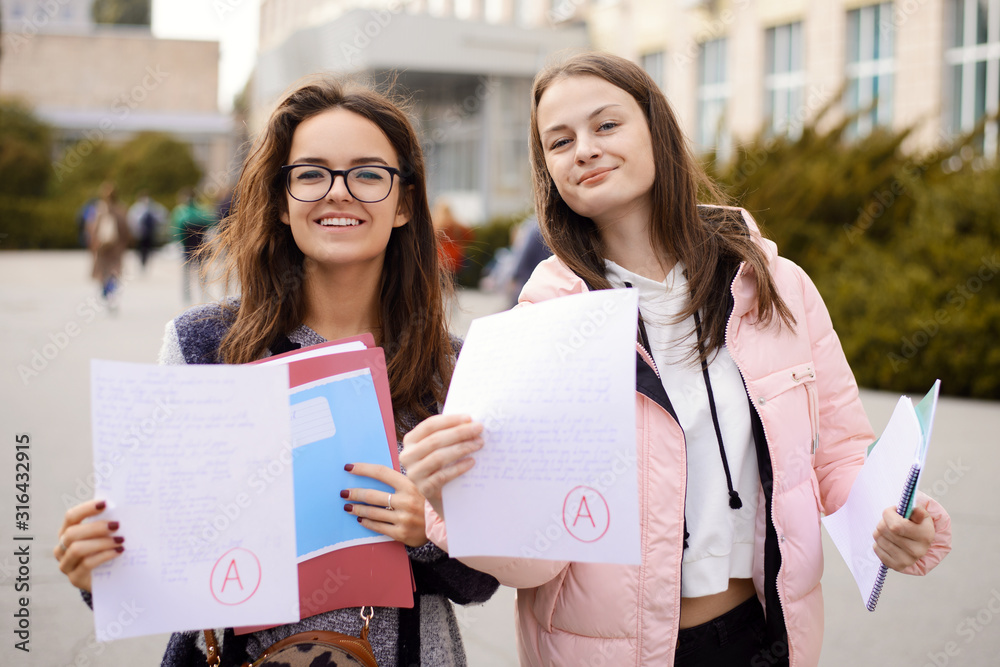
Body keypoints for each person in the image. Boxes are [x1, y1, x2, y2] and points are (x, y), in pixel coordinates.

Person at [399, 52, 952, 666]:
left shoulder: (778, 287)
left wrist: (892, 517)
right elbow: (537, 560)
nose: (583, 149)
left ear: (657, 130)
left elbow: (840, 453)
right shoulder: (543, 324)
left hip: (764, 638)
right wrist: (457, 501)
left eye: (606, 125)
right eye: (560, 141)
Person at [54, 77, 499, 667]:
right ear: (282, 201)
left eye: (368, 174)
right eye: (312, 174)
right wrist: (98, 568)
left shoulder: (454, 365)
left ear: (404, 205)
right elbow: (158, 552)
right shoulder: (203, 346)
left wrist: (428, 535)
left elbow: (483, 580)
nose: (338, 193)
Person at [86, 182, 131, 309]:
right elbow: (126, 229)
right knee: (114, 270)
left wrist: (93, 242)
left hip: (102, 245)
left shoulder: (98, 208)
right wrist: (124, 243)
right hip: (116, 246)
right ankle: (111, 290)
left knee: (103, 269)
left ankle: (105, 290)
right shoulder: (121, 209)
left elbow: (92, 227)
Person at [171, 188, 214, 304]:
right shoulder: (202, 211)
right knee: (202, 272)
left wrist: (180, 243)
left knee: (187, 273)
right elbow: (211, 224)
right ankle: (204, 293)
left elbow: (177, 231)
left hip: (187, 247)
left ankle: (187, 295)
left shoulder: (180, 212)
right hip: (200, 246)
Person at [127, 190, 168, 270]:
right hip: (140, 233)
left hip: (150, 233)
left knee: (149, 249)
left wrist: (158, 226)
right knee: (140, 249)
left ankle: (146, 263)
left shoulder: (153, 207)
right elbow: (132, 220)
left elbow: (162, 215)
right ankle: (141, 262)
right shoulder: (136, 208)